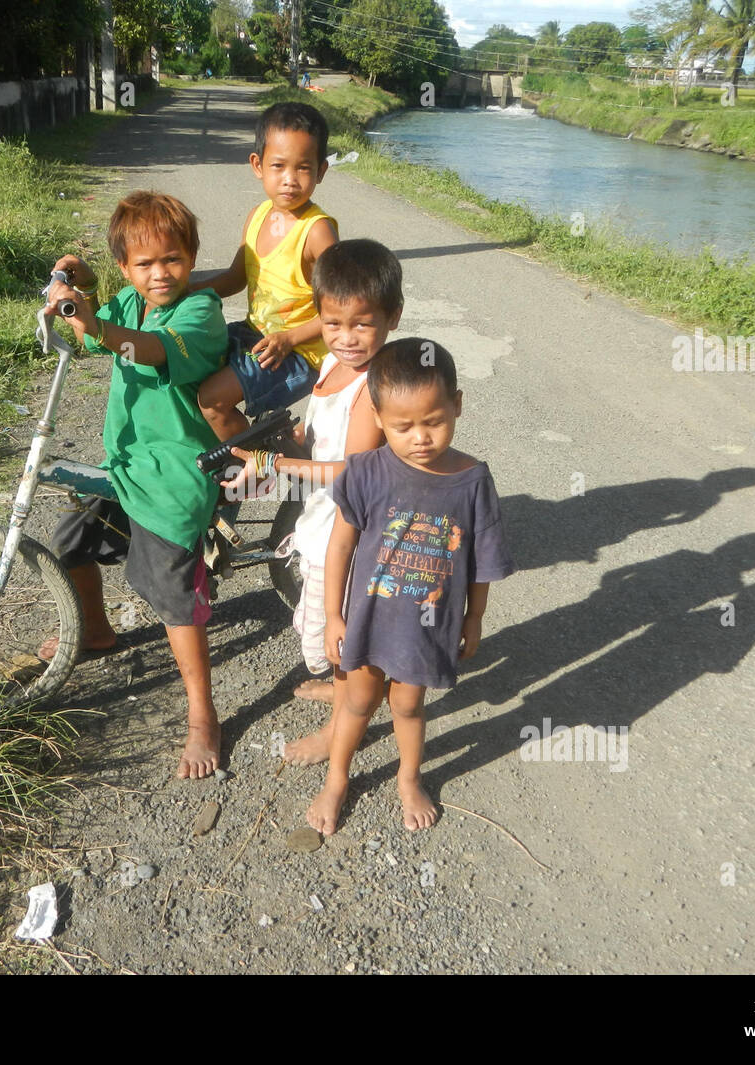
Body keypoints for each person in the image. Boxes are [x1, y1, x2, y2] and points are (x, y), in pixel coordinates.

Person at [41, 191, 227, 780]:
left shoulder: (199, 313)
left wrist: (95, 321)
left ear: (191, 258)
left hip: (176, 472)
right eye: (144, 265)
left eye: (171, 260)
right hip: (124, 463)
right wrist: (85, 286)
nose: (160, 274)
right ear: (126, 269)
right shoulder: (129, 298)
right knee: (70, 537)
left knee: (171, 592)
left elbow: (142, 348)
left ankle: (203, 713)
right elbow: (106, 328)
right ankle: (96, 630)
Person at [306, 339, 516, 833]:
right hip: (369, 619)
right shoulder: (366, 472)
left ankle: (408, 778)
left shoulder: (472, 480)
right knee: (357, 701)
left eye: (434, 421)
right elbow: (339, 548)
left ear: (457, 405)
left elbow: (482, 562)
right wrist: (334, 614)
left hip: (428, 628)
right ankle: (337, 778)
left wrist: (474, 619)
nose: (420, 437)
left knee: (407, 704)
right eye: (402, 426)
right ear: (377, 417)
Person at [225, 240, 403, 723]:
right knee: (331, 623)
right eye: (333, 324)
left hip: (349, 532)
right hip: (323, 520)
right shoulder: (331, 363)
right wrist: (288, 439)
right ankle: (349, 691)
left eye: (362, 324)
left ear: (394, 317)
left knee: (340, 629)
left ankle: (346, 717)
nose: (346, 337)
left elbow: (354, 469)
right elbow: (319, 432)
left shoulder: (371, 388)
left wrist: (278, 465)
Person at [189, 101, 338, 447]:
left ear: (321, 171)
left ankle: (262, 463)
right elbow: (234, 278)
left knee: (212, 399)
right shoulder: (258, 215)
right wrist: (183, 293)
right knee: (185, 358)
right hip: (255, 335)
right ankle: (232, 446)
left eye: (303, 168)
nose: (290, 180)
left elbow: (343, 309)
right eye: (278, 166)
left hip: (298, 354)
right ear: (258, 165)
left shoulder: (317, 232)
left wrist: (290, 339)